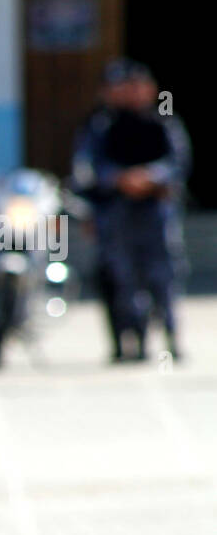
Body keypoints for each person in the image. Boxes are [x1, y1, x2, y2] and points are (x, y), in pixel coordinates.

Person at [92, 62, 187, 362]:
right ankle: (134, 341)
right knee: (124, 280)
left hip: (155, 211)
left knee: (163, 277)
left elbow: (178, 161)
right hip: (118, 212)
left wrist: (150, 177)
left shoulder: (163, 120)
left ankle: (172, 338)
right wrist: (121, 178)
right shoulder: (103, 125)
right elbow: (91, 166)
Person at [72, 60, 135, 361]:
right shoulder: (97, 126)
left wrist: (148, 179)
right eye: (114, 88)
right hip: (109, 213)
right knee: (111, 279)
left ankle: (150, 342)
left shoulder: (153, 120)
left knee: (149, 279)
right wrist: (87, 209)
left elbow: (174, 162)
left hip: (146, 214)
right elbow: (84, 171)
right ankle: (119, 343)